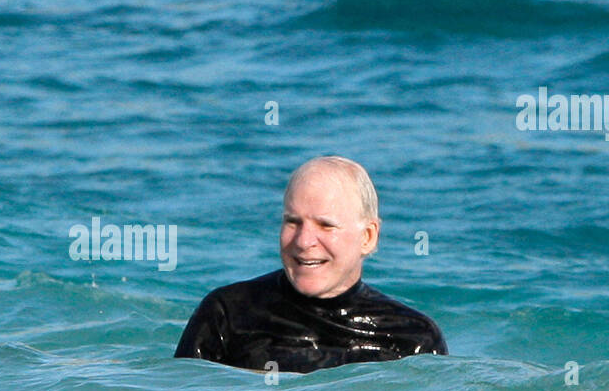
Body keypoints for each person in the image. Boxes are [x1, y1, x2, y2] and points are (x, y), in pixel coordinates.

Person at [174, 156, 447, 373]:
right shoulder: (228, 314)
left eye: (326, 226)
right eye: (292, 222)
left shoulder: (413, 338)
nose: (303, 241)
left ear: (368, 236)